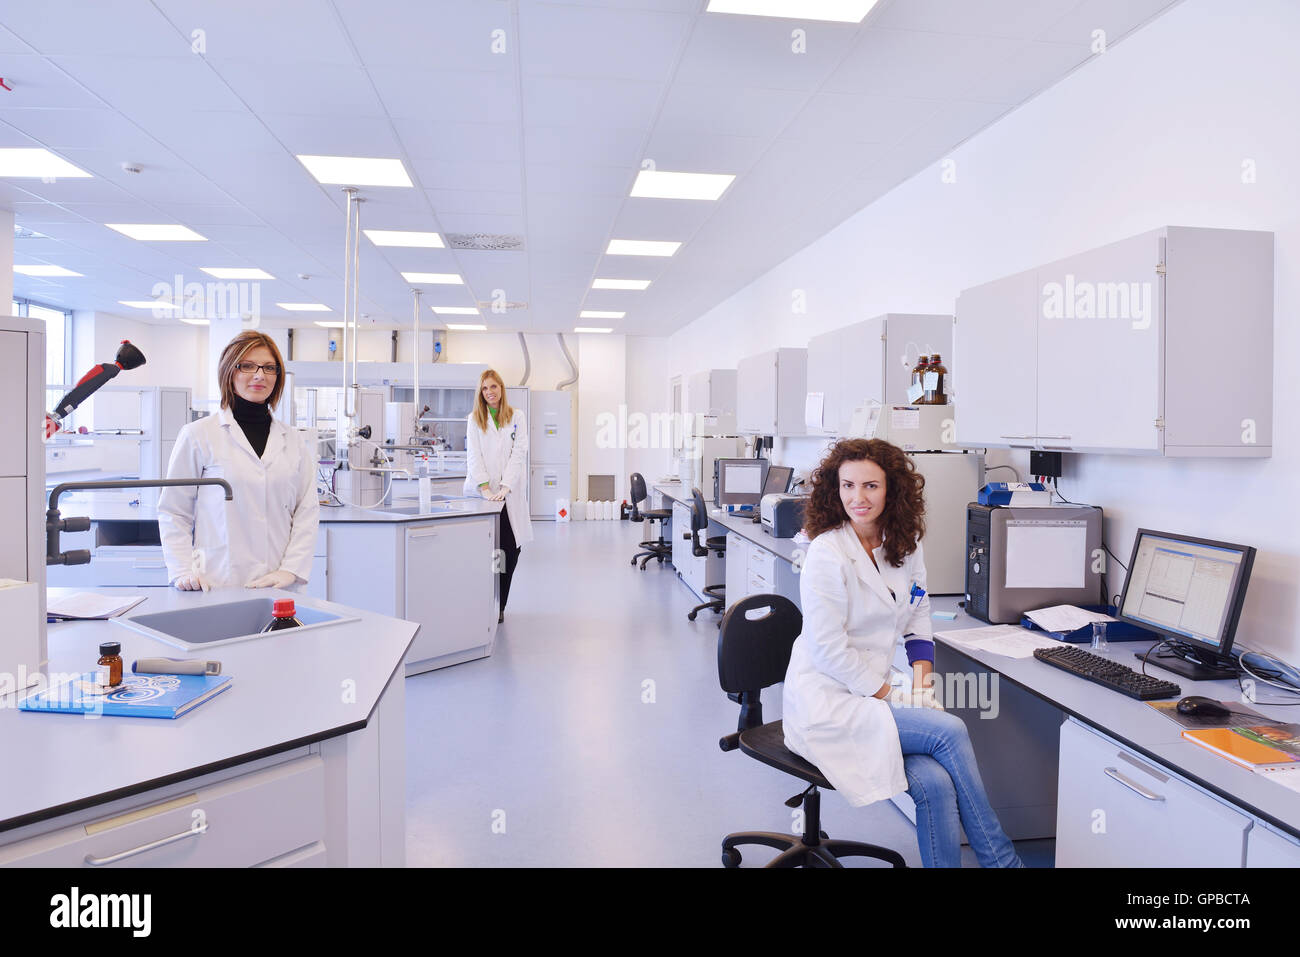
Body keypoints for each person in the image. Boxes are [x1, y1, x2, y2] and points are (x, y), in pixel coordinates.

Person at [782, 438, 1022, 868]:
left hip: (874, 691)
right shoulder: (826, 553)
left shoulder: (904, 542)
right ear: (833, 490)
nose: (858, 498)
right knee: (949, 731)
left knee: (933, 783)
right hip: (827, 701)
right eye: (848, 486)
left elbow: (917, 614)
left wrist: (922, 682)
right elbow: (826, 649)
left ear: (891, 489)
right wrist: (891, 695)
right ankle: (1003, 862)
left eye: (871, 486)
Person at [158, 330, 319, 592]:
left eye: (269, 368)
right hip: (215, 581)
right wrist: (182, 571)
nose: (259, 375)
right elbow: (174, 510)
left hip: (279, 584)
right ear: (228, 371)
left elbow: (306, 511)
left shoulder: (293, 441)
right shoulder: (199, 435)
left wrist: (291, 569)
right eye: (247, 366)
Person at [464, 369, 531, 622]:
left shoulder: (517, 416)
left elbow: (519, 452)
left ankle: (500, 601)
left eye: (493, 386)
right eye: (484, 388)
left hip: (508, 494)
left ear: (501, 388)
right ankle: (491, 604)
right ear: (480, 393)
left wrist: (505, 487)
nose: (490, 392)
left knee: (511, 550)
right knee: (491, 551)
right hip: (483, 495)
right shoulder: (474, 419)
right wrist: (486, 489)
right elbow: (473, 455)